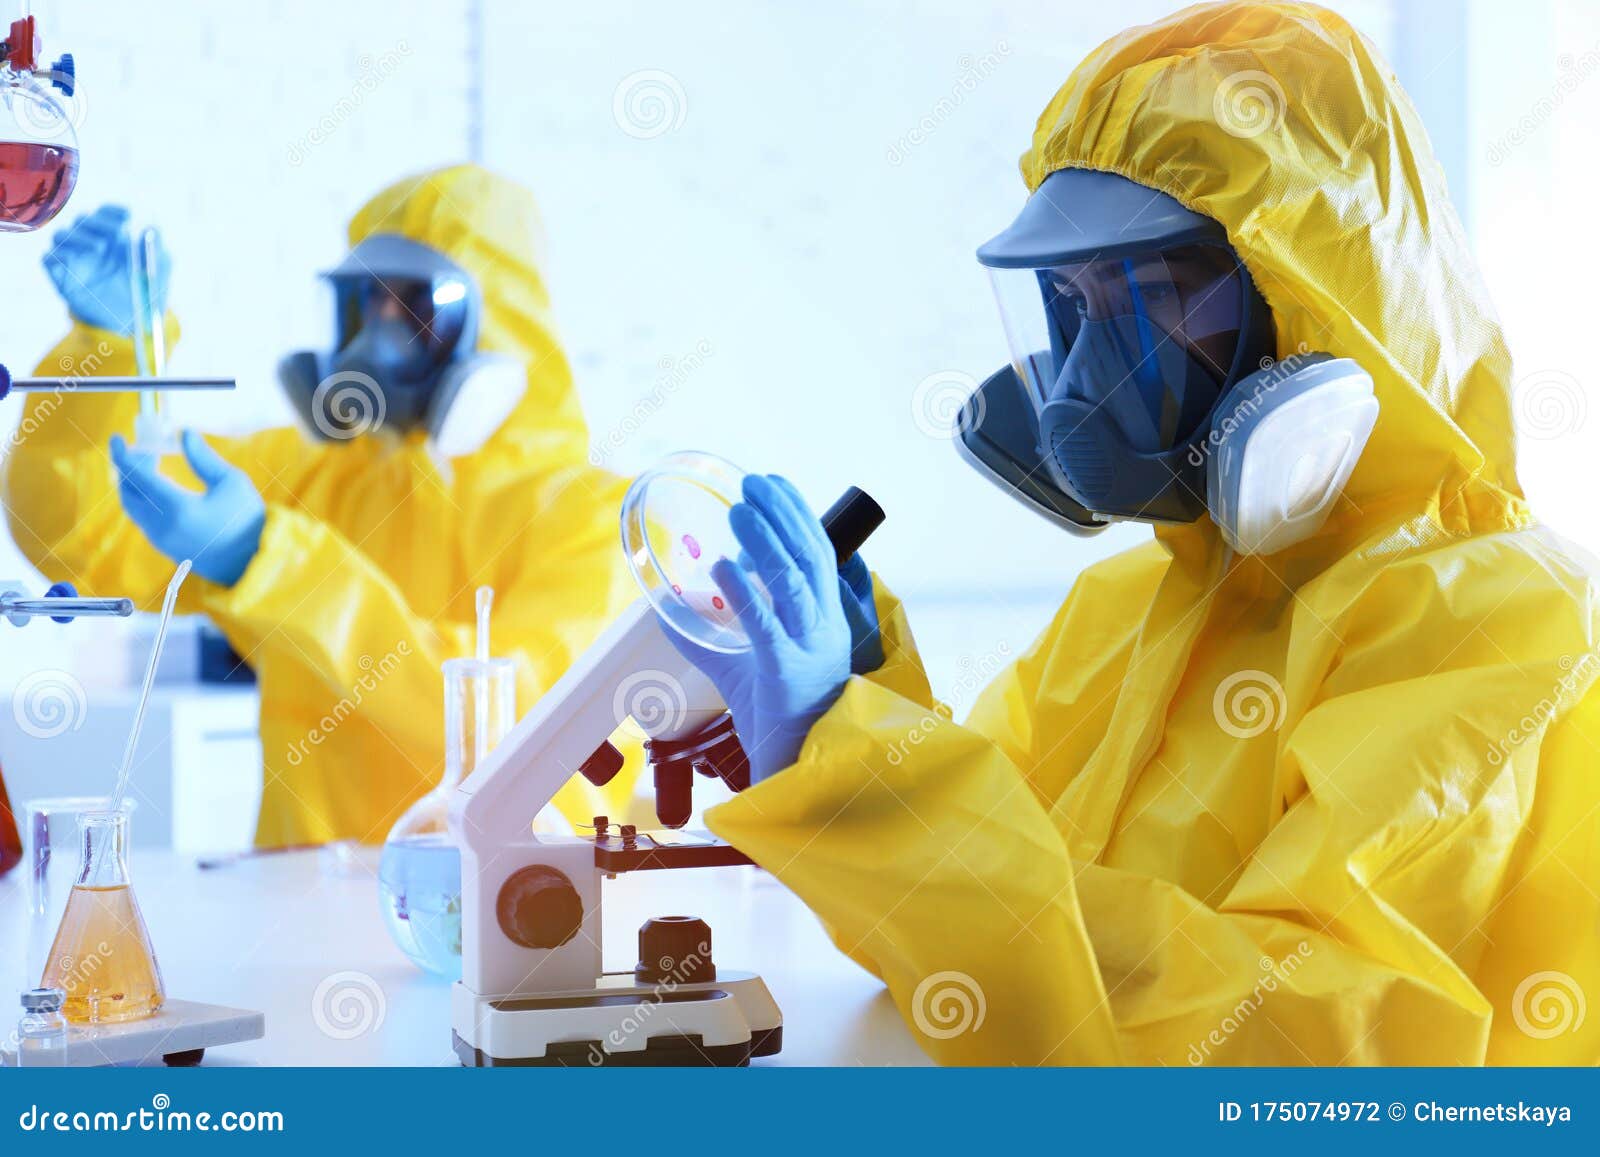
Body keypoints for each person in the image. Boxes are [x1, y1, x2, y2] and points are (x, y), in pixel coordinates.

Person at [670, 4, 1600, 1065]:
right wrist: (861, 699)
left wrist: (851, 761)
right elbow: (980, 961)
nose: (1088, 360)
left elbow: (1280, 1044)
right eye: (1072, 298)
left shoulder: (1503, 627)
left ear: (1309, 301)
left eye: (1150, 293)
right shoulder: (1119, 614)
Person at [4, 166, 640, 847]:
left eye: (412, 309)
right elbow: (76, 529)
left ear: (497, 324)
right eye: (367, 304)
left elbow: (513, 717)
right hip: (302, 907)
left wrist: (272, 562)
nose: (378, 334)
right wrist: (107, 358)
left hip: (525, 919)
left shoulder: (602, 523)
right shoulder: (310, 480)